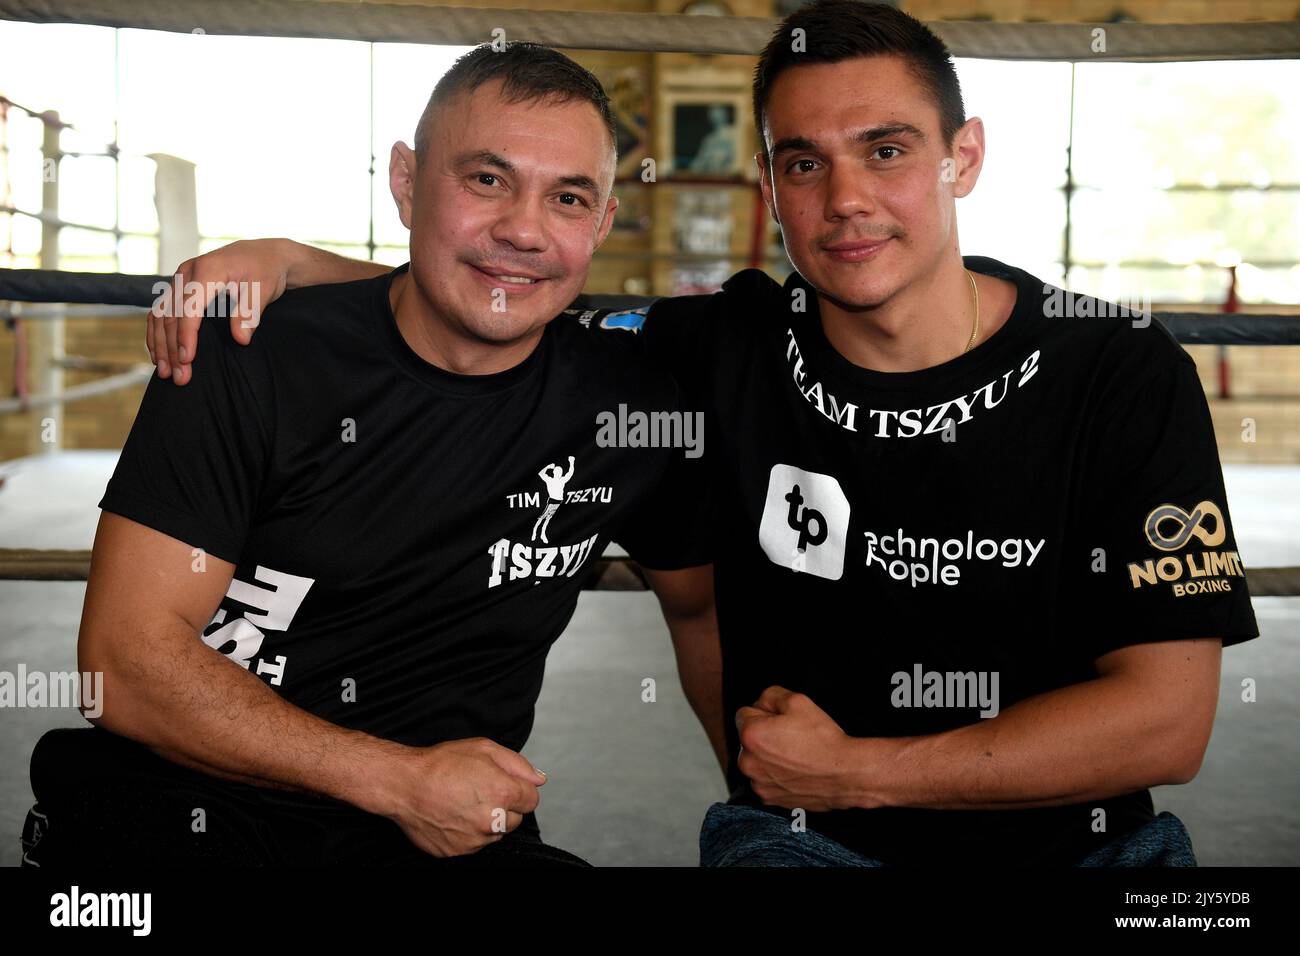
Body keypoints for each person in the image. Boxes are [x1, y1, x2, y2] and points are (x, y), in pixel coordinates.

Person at [148, 2, 1259, 868]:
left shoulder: (1116, 370)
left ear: (962, 156)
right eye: (803, 162)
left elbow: (1167, 724)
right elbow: (501, 287)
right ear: (768, 184)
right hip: (805, 839)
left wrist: (863, 768)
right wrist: (291, 263)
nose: (845, 200)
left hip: (1098, 844)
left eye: (886, 150)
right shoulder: (714, 346)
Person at [20, 42, 724, 868]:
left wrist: (770, 810)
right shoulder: (253, 352)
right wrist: (395, 780)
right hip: (182, 804)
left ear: (601, 222)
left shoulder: (628, 406)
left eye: (567, 197)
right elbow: (124, 664)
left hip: (445, 838)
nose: (524, 229)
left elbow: (699, 608)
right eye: (486, 180)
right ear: (405, 182)